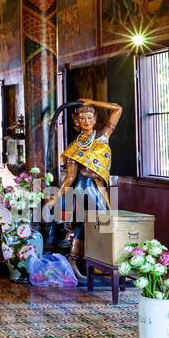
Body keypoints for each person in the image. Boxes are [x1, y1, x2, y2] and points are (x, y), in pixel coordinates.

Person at [58, 98, 123, 264]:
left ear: (95, 119)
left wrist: (93, 102)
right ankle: (102, 262)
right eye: (82, 118)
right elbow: (70, 177)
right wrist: (57, 198)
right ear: (76, 121)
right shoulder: (74, 146)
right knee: (103, 221)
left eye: (89, 117)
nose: (86, 121)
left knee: (85, 224)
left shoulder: (102, 135)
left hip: (97, 185)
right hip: (85, 186)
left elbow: (117, 109)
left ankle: (77, 262)